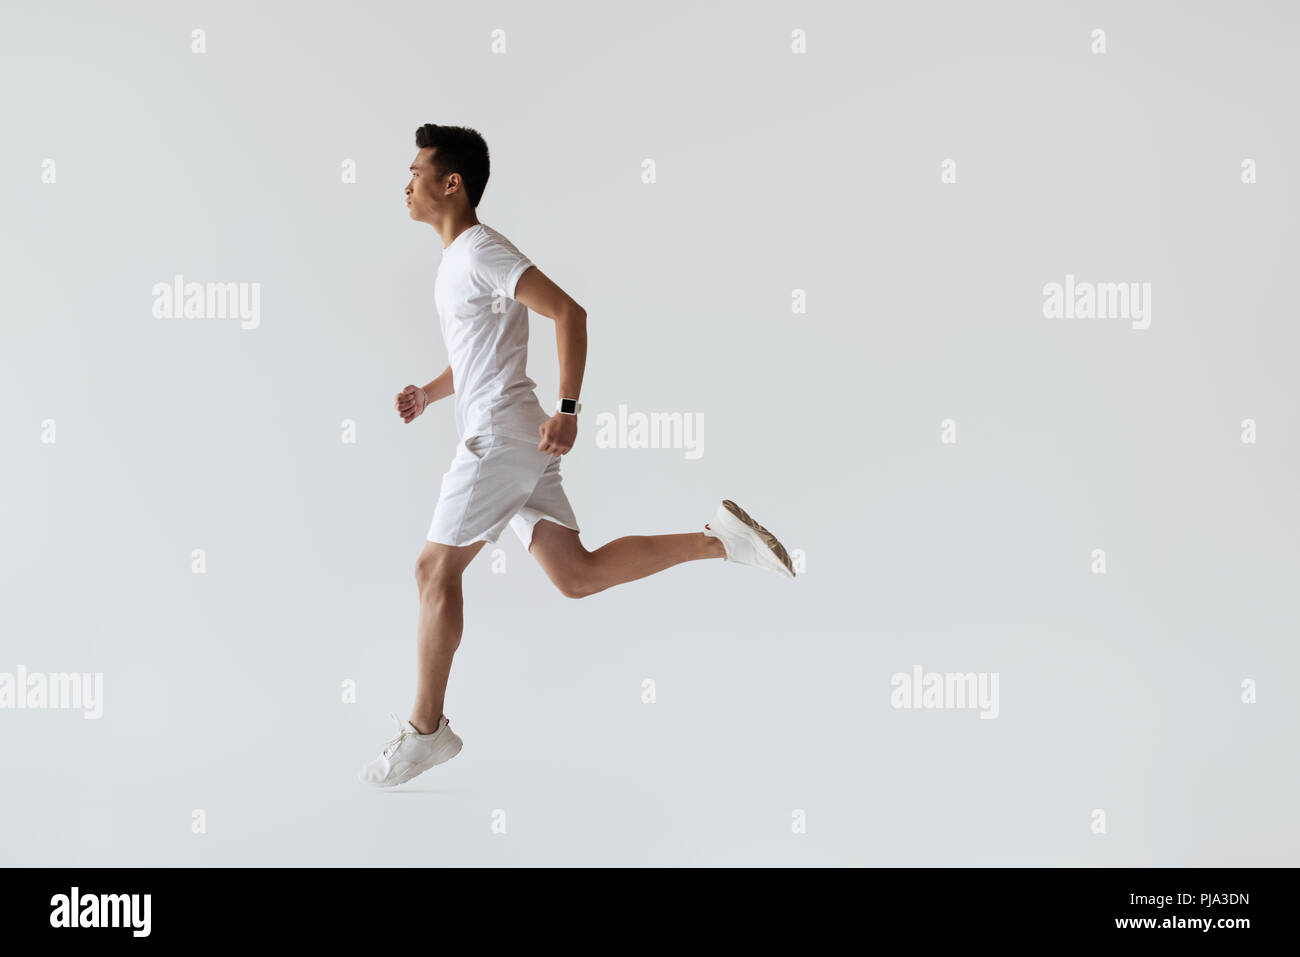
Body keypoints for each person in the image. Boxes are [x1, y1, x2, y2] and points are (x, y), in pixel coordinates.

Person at [359, 124, 795, 788]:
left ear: (453, 183)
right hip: (510, 433)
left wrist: (568, 411)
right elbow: (474, 356)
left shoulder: (481, 250)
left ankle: (427, 731)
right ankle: (720, 540)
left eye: (416, 171)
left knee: (432, 570)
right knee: (576, 574)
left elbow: (569, 311)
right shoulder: (457, 263)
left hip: (503, 438)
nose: (406, 183)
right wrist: (430, 390)